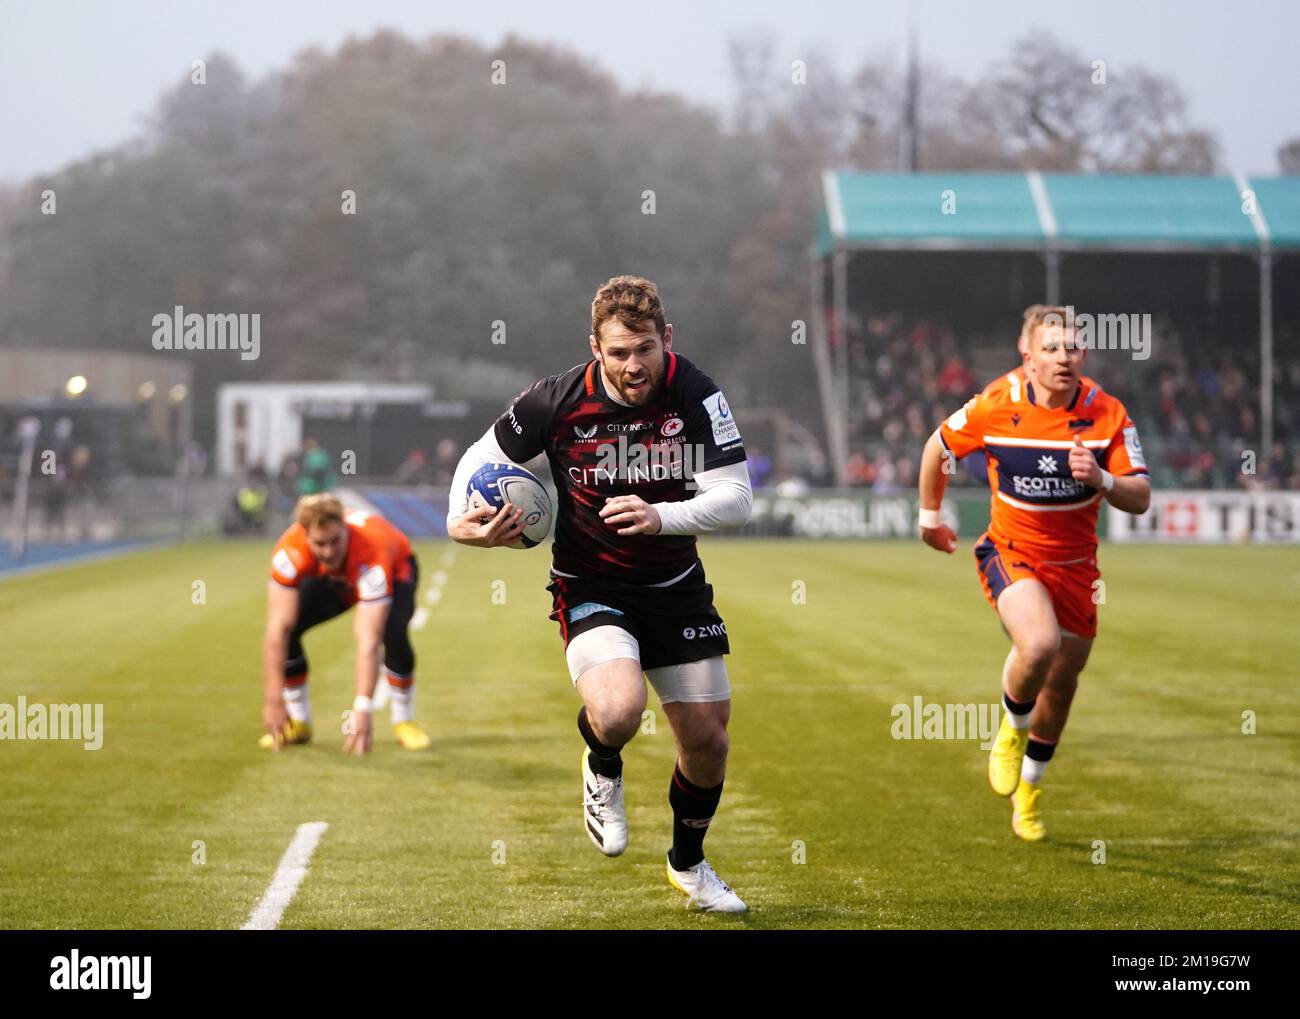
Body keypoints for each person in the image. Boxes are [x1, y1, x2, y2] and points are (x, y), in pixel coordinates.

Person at [446, 276, 753, 911]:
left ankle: (689, 866)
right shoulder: (553, 401)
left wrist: (660, 515)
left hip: (676, 587)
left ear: (666, 338)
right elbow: (477, 456)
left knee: (708, 741)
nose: (633, 365)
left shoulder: (695, 392)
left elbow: (738, 497)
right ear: (596, 348)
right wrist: (459, 524)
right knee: (617, 710)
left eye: (644, 348)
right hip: (593, 583)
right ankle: (602, 762)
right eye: (618, 353)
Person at [916, 305, 1151, 841]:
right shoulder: (998, 402)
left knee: (1063, 683)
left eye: (1072, 347)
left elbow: (1140, 496)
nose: (1064, 357)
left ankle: (1031, 788)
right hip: (1011, 551)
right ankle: (1011, 731)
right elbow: (938, 447)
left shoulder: (1107, 414)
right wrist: (930, 518)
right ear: (1028, 357)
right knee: (1039, 646)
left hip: (1076, 569)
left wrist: (1103, 481)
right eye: (1051, 348)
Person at [261, 494, 431, 753]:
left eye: (335, 541)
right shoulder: (289, 550)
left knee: (392, 632)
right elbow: (276, 633)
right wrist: (274, 701)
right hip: (336, 577)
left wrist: (363, 709)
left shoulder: (372, 551)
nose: (329, 551)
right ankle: (299, 721)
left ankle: (404, 720)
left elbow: (368, 642)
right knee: (289, 628)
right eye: (320, 543)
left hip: (395, 569)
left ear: (345, 528)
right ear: (304, 535)